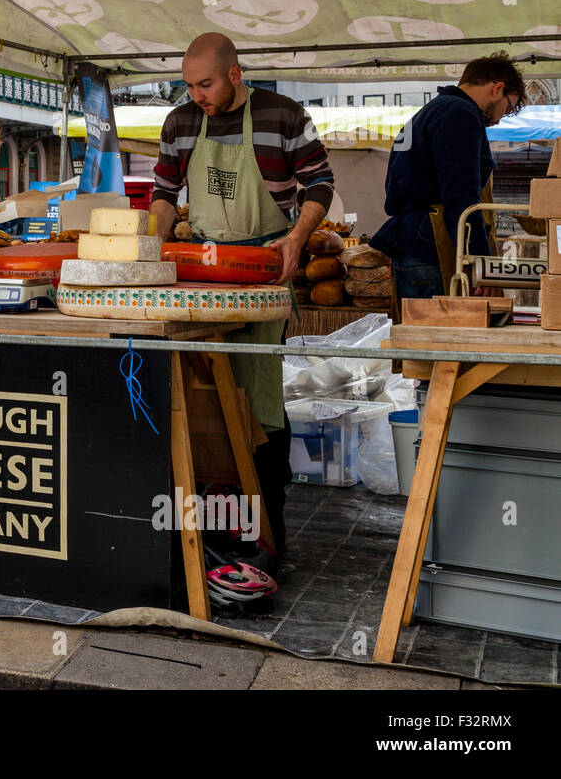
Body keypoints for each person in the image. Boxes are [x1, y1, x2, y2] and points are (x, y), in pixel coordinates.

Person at [151, 33, 335, 569]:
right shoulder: (181, 122)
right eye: (188, 85)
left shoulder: (283, 115)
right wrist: (149, 242)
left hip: (262, 269)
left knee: (258, 403)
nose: (196, 96)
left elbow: (319, 183)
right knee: (201, 396)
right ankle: (208, 536)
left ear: (234, 75)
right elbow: (164, 191)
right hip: (201, 272)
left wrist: (296, 241)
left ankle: (267, 537)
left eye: (204, 84)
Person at [371, 52, 525, 301]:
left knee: (417, 335)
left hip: (412, 242)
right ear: (498, 88)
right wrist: (480, 263)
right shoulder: (460, 114)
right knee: (442, 335)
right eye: (506, 109)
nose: (497, 120)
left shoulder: (431, 111)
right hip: (431, 247)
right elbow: (462, 197)